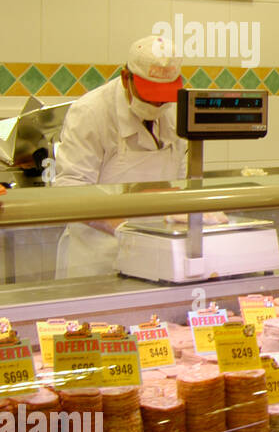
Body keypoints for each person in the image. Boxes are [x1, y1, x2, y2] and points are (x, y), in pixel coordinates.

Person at [54, 35, 188, 277]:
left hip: (156, 251)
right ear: (126, 78)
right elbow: (70, 188)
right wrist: (123, 229)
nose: (157, 104)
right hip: (96, 258)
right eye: (150, 94)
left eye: (163, 97)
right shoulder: (91, 112)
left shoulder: (174, 110)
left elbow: (180, 178)